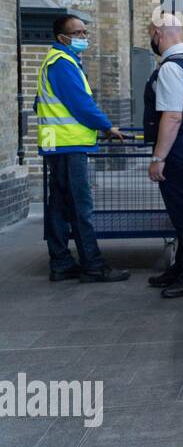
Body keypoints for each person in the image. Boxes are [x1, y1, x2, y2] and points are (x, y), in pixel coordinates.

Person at [37, 15, 130, 283]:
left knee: (59, 204)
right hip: (69, 144)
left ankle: (62, 263)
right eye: (76, 33)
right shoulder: (63, 63)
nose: (82, 37)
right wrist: (106, 126)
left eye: (84, 32)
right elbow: (80, 103)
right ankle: (93, 265)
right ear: (61, 38)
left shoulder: (55, 62)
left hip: (58, 143)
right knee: (80, 206)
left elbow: (39, 104)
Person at [143, 14, 183, 298]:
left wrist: (158, 158)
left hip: (179, 148)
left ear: (158, 33)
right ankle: (182, 268)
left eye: (151, 34)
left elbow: (172, 117)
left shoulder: (171, 67)